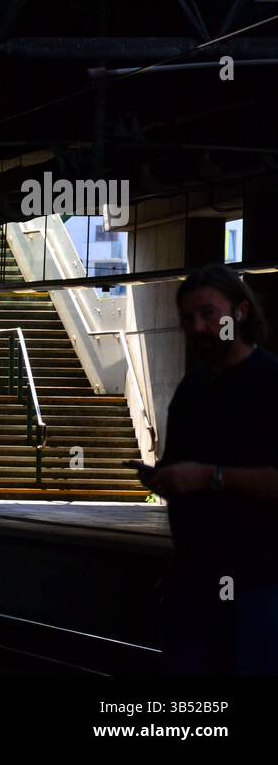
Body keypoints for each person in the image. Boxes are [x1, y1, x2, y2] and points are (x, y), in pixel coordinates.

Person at [134, 264, 278, 675]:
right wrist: (165, 478)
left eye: (209, 314)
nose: (198, 327)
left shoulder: (271, 384)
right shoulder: (191, 390)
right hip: (193, 581)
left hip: (260, 584)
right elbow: (187, 472)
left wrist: (209, 477)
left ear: (241, 313)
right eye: (187, 318)